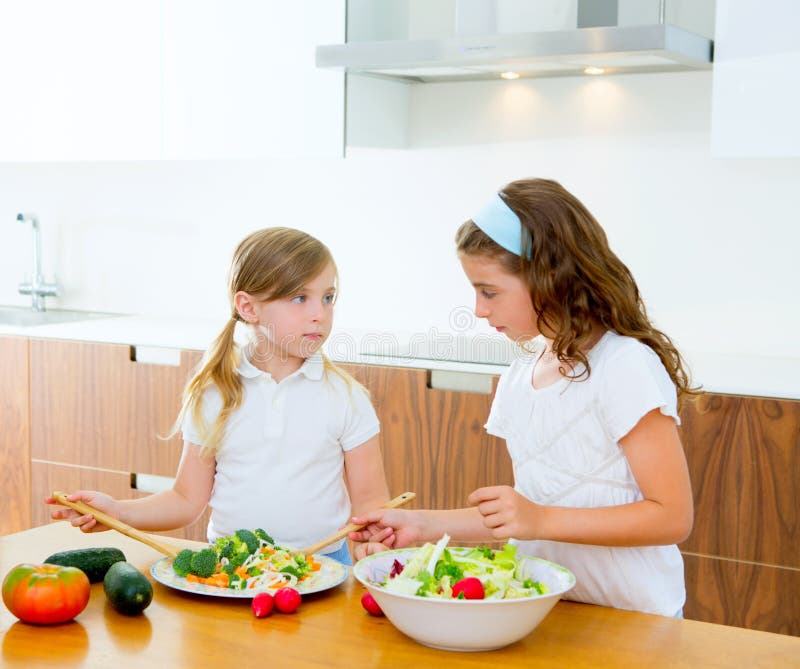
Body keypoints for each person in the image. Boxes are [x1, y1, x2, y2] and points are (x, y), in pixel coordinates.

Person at [351, 178, 696, 615]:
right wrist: (420, 524)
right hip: (549, 611)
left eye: (488, 291)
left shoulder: (624, 365)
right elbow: (523, 514)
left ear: (548, 278)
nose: (478, 309)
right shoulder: (520, 376)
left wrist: (542, 520)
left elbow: (671, 516)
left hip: (637, 620)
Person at [48, 227, 390, 565]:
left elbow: (371, 502)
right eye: (300, 298)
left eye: (328, 298)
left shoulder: (346, 396)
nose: (320, 313)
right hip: (230, 571)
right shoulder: (215, 392)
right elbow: (185, 500)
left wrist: (375, 542)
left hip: (325, 568)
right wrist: (118, 511)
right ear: (249, 307)